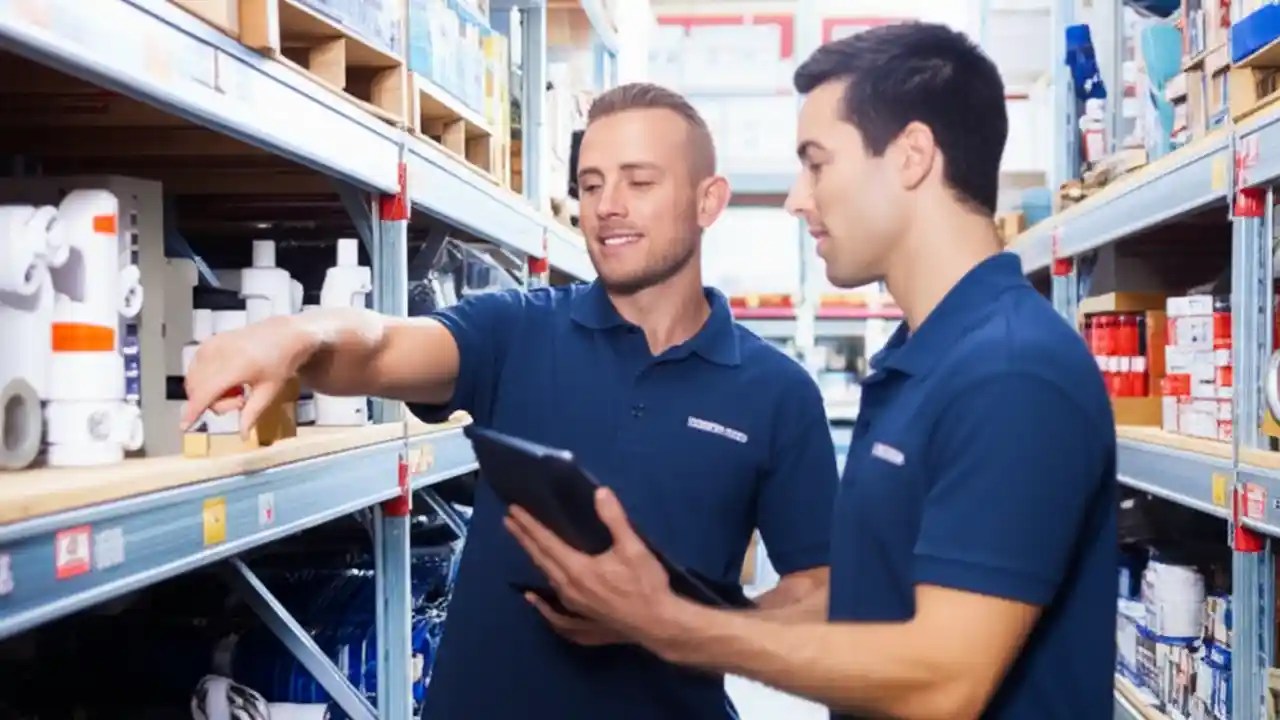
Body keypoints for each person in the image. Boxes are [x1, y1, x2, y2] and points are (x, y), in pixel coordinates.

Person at [504, 22, 1118, 720]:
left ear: (912, 156)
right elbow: (870, 619)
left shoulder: (1012, 373)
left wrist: (671, 626)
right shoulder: (921, 364)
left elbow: (943, 683)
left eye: (816, 162)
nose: (798, 197)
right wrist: (658, 612)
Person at [181, 83, 840, 719]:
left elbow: (819, 593)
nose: (607, 205)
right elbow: (382, 346)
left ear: (708, 200)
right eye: (589, 185)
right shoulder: (517, 331)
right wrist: (300, 334)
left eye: (639, 182)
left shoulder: (776, 393)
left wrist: (675, 625)